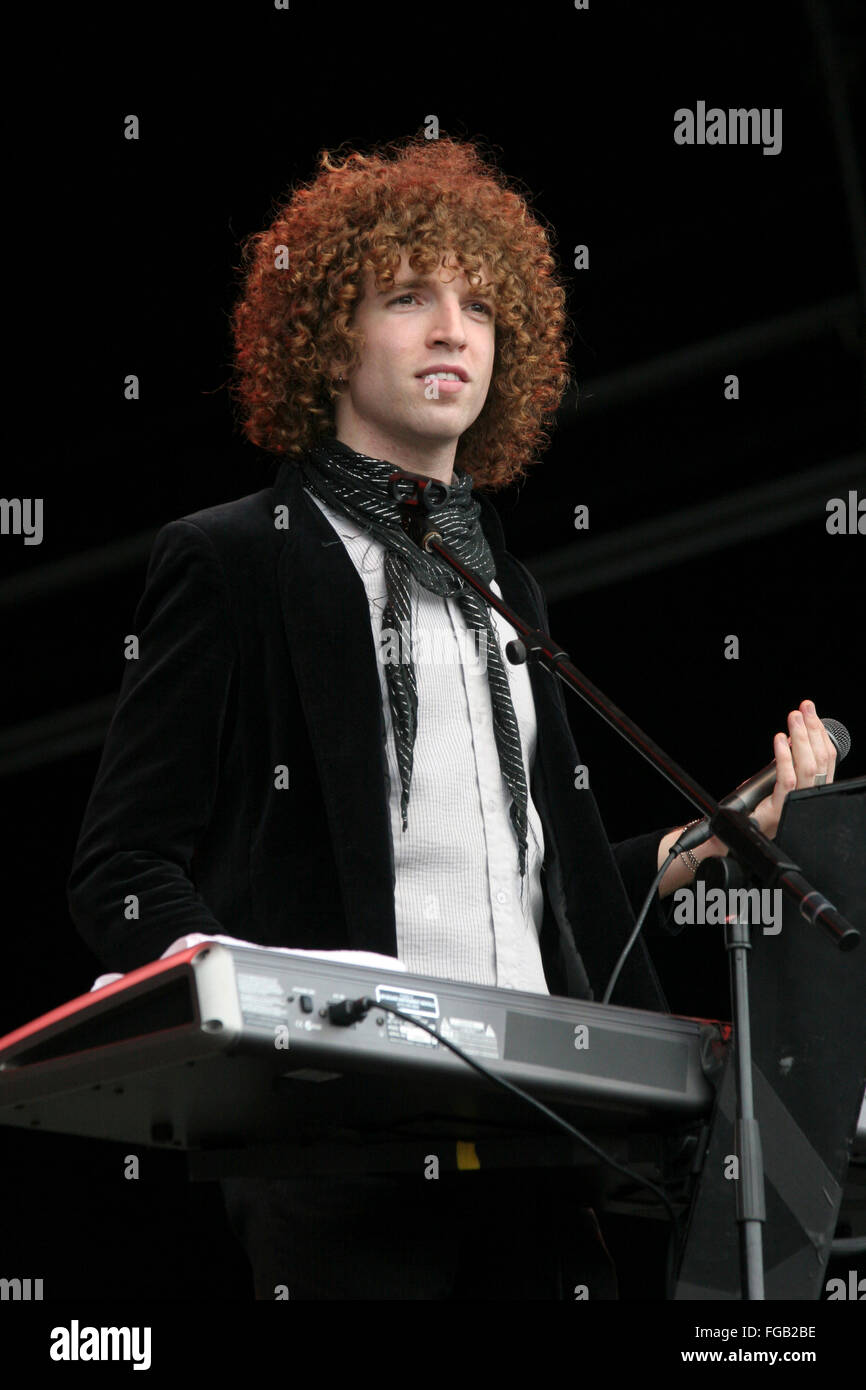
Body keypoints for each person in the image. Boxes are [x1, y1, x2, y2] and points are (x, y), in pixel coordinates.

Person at [67, 134, 837, 1299]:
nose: (451, 331)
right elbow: (119, 865)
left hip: (542, 1145)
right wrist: (247, 1008)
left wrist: (720, 831)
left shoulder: (502, 588)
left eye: (479, 305)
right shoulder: (231, 561)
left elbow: (548, 892)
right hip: (343, 1153)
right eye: (406, 297)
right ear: (328, 336)